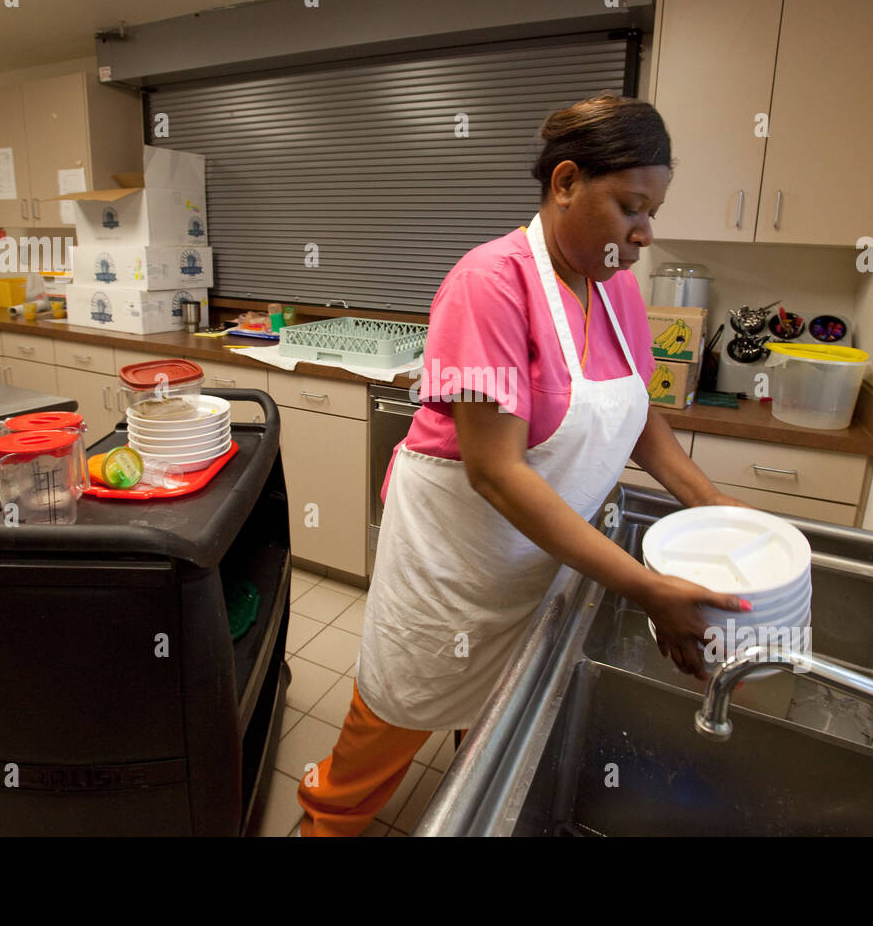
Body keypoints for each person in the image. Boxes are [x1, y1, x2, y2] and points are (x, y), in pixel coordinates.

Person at [296, 94, 751, 836]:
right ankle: (324, 820)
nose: (644, 233)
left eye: (652, 212)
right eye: (631, 207)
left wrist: (718, 509)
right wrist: (645, 588)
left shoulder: (618, 287)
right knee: (392, 720)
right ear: (566, 182)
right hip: (454, 566)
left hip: (539, 562)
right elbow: (495, 470)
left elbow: (638, 415)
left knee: (496, 726)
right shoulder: (490, 284)